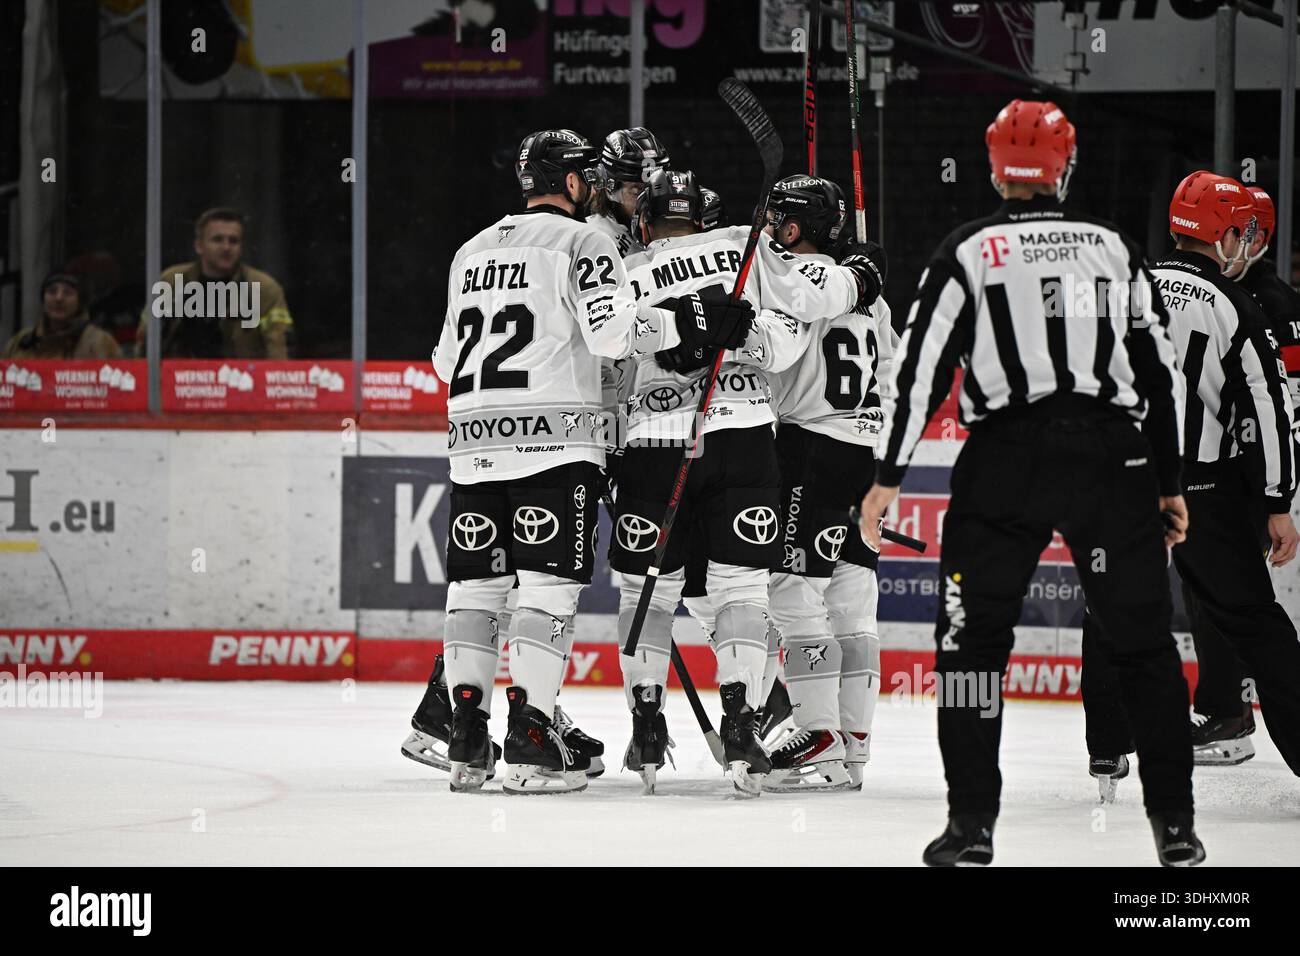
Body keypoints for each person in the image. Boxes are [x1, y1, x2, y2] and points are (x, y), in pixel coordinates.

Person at [858, 100, 1201, 867]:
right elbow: (1159, 373)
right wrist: (1168, 480)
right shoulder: (1113, 248)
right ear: (1065, 165)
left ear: (992, 167)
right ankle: (1174, 825)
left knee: (971, 649)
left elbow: (919, 370)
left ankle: (972, 825)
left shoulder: (969, 249)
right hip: (1112, 460)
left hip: (1004, 463)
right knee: (1145, 646)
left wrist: (888, 476)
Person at [422, 131, 733, 795]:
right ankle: (531, 740)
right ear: (569, 184)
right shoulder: (584, 243)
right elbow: (613, 334)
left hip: (473, 447)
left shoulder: (470, 250)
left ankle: (466, 739)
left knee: (475, 593)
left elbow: (444, 362)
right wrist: (686, 323)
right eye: (587, 178)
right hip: (555, 446)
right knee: (544, 596)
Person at [614, 167, 883, 795]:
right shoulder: (743, 247)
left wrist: (674, 338)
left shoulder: (623, 270)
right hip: (749, 435)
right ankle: (743, 723)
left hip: (658, 439)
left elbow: (610, 354)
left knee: (648, 593)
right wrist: (856, 278)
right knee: (748, 589)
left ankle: (646, 726)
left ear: (646, 222)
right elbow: (787, 336)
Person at [1145, 172, 1300, 777]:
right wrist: (1276, 497)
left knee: (1118, 611)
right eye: (1243, 230)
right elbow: (1269, 408)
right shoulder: (1240, 302)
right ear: (1224, 232)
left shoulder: (1135, 286)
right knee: (1247, 613)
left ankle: (1109, 746)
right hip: (1218, 485)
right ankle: (1230, 715)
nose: (1250, 242)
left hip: (1149, 482)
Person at [759, 175, 896, 792]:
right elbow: (892, 371)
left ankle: (815, 733)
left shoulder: (790, 280)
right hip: (864, 452)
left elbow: (773, 357)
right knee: (852, 599)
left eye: (774, 223)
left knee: (792, 590)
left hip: (808, 448)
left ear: (793, 228)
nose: (766, 233)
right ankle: (852, 746)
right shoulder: (874, 294)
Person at [137, 207, 293, 359]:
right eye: (217, 240)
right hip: (178, 379)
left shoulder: (263, 289)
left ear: (242, 247)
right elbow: (145, 341)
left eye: (233, 241)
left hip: (240, 380)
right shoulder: (172, 281)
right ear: (199, 246)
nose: (226, 247)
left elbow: (279, 349)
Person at [586, 127, 672, 258]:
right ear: (610, 188)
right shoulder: (594, 236)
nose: (649, 200)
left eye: (656, 187)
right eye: (638, 190)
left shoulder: (674, 221)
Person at [4, 272, 122, 359]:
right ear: (43, 299)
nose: (59, 298)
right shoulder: (21, 342)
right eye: (52, 291)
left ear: (79, 302)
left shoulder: (100, 342)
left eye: (68, 292)